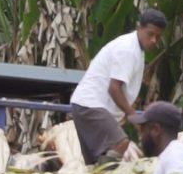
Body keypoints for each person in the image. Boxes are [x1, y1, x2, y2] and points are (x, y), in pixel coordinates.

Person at [69, 9, 167, 165]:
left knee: (93, 164)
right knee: (123, 145)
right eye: (150, 34)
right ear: (139, 28)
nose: (154, 40)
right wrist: (133, 115)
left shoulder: (135, 49)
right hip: (91, 105)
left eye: (158, 36)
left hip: (83, 105)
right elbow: (114, 88)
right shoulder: (128, 49)